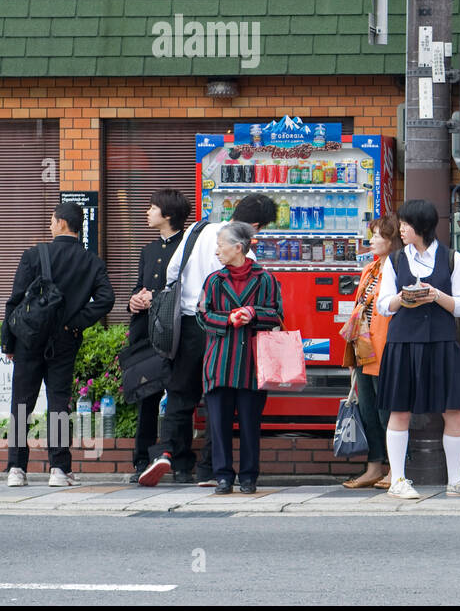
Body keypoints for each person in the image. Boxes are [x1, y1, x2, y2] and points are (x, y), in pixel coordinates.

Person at [138, 193, 277, 487]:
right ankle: (210, 469)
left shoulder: (197, 230)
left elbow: (172, 272)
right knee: (220, 398)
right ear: (254, 225)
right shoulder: (243, 250)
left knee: (180, 393)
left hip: (188, 324)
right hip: (225, 332)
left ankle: (169, 455)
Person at [3, 203, 115, 487]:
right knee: (58, 403)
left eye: (53, 221)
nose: (51, 226)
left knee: (21, 404)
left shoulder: (33, 255)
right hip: (65, 341)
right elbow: (106, 300)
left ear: (62, 223)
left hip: (29, 340)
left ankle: (16, 468)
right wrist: (75, 323)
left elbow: (15, 302)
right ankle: (59, 469)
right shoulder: (92, 262)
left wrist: (8, 343)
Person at [373, 200, 460, 499]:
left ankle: (455, 480)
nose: (401, 230)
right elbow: (383, 305)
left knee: (455, 411)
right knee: (400, 410)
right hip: (403, 342)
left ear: (423, 227)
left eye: (406, 224)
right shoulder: (394, 261)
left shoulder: (452, 258)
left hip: (443, 342)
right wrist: (403, 299)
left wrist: (435, 295)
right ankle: (398, 480)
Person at [196, 222, 283, 494]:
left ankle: (248, 477)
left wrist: (253, 314)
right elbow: (202, 315)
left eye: (221, 244)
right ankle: (223, 476)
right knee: (218, 425)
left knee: (249, 424)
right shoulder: (213, 280)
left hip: (253, 364)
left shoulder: (265, 279)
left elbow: (277, 315)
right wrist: (228, 318)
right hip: (219, 362)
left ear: (238, 247)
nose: (217, 250)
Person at [125, 190, 189, 482]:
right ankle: (142, 460)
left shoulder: (189, 247)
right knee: (146, 394)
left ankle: (180, 459)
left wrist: (157, 298)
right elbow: (138, 287)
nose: (146, 213)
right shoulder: (147, 250)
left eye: (151, 208)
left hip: (176, 332)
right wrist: (133, 301)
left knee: (179, 394)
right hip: (145, 331)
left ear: (168, 214)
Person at [340, 216, 399, 489]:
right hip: (364, 347)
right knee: (368, 410)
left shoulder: (399, 268)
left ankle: (395, 467)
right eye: (372, 235)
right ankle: (374, 466)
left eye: (377, 236)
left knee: (388, 412)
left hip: (387, 348)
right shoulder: (370, 269)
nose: (372, 240)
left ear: (392, 239)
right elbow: (358, 311)